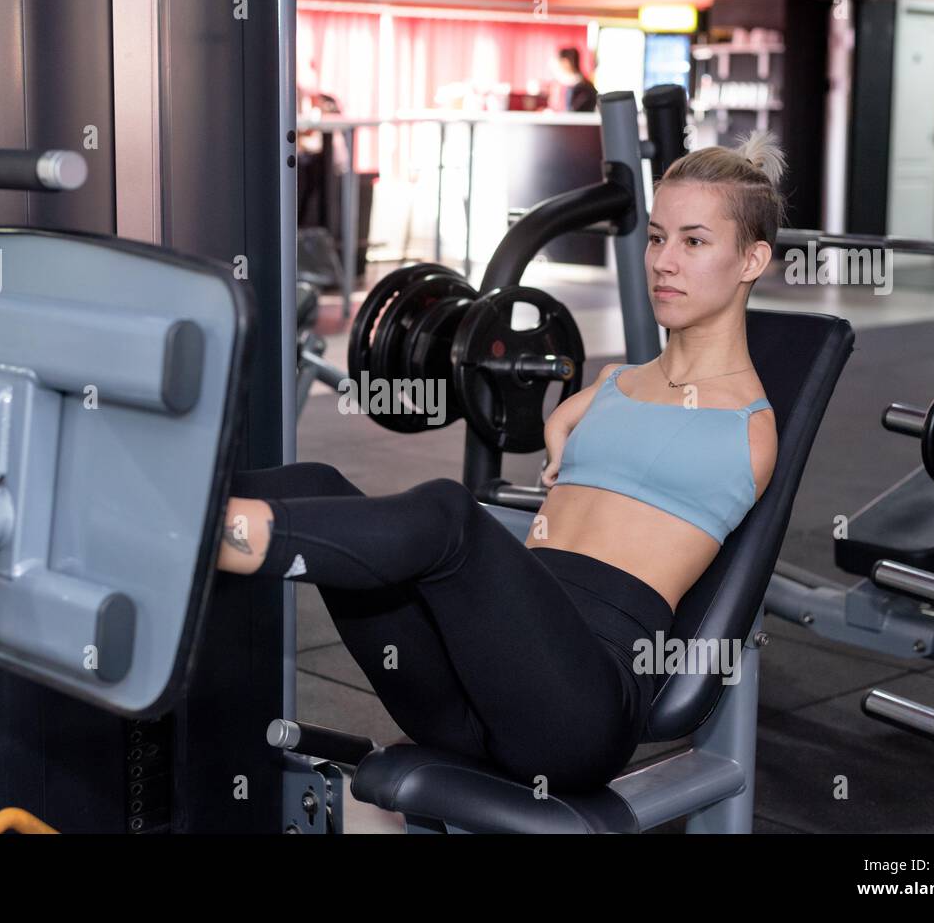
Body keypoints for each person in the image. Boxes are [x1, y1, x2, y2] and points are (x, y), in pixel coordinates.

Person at [216, 132, 786, 793]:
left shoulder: (750, 427)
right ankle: (169, 502)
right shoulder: (610, 385)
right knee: (316, 483)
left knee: (450, 517)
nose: (663, 260)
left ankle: (214, 537)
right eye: (657, 237)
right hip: (473, 682)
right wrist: (565, 415)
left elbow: (658, 449)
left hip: (577, 710)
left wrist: (576, 420)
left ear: (752, 259)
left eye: (694, 241)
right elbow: (602, 443)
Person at [554, 46, 597, 112]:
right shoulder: (587, 84)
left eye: (560, 63)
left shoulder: (581, 88)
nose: (559, 67)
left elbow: (571, 112)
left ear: (566, 62)